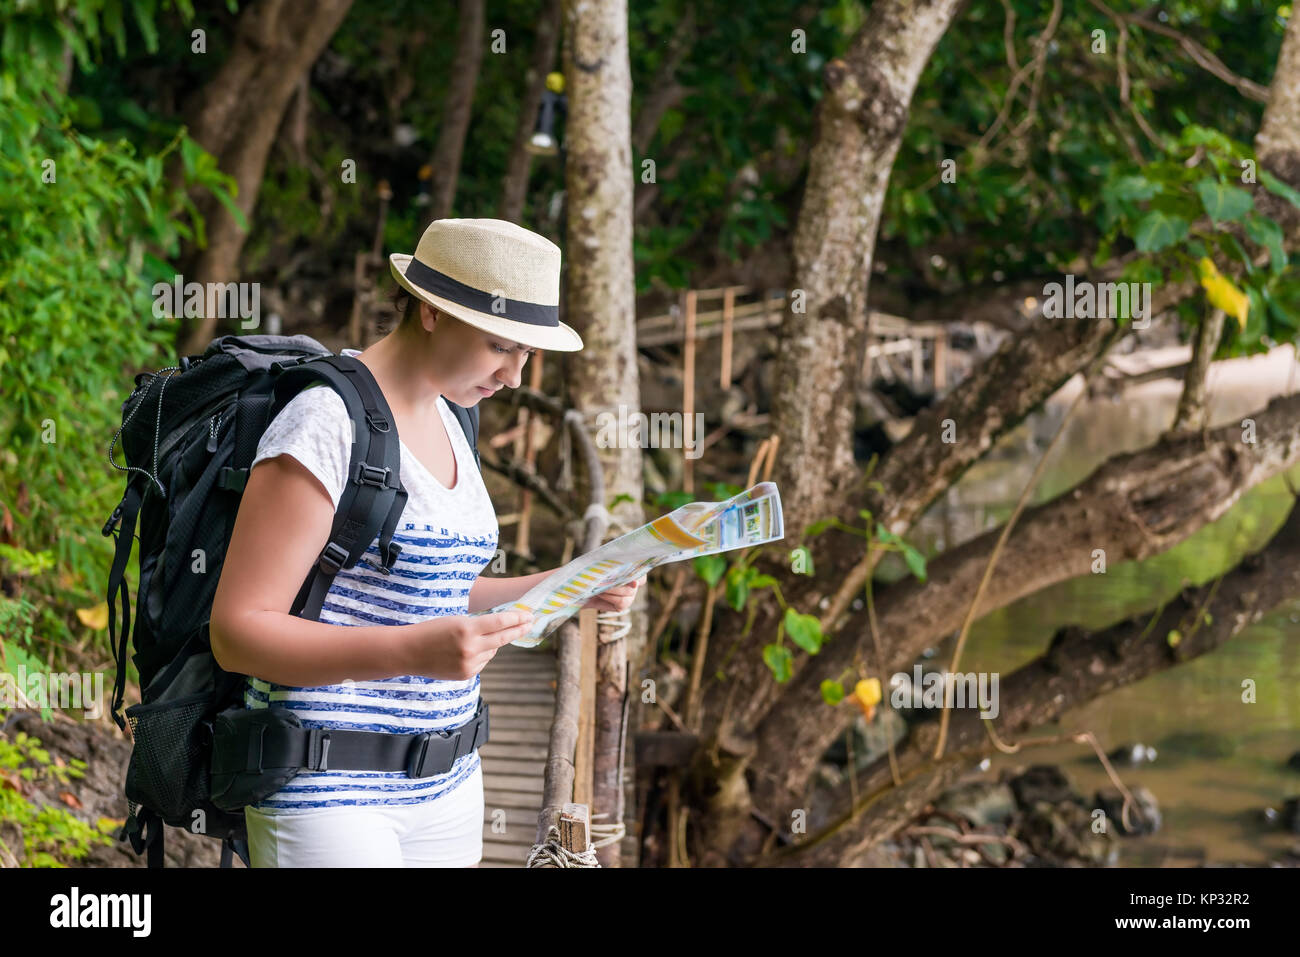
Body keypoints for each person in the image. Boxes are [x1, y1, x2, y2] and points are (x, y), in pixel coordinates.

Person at [210, 218, 645, 867]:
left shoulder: (453, 415)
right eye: (501, 345)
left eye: (528, 353)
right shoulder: (325, 423)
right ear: (432, 311)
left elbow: (440, 585)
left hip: (448, 784)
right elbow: (237, 632)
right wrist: (411, 649)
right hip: (327, 789)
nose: (515, 376)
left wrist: (574, 585)